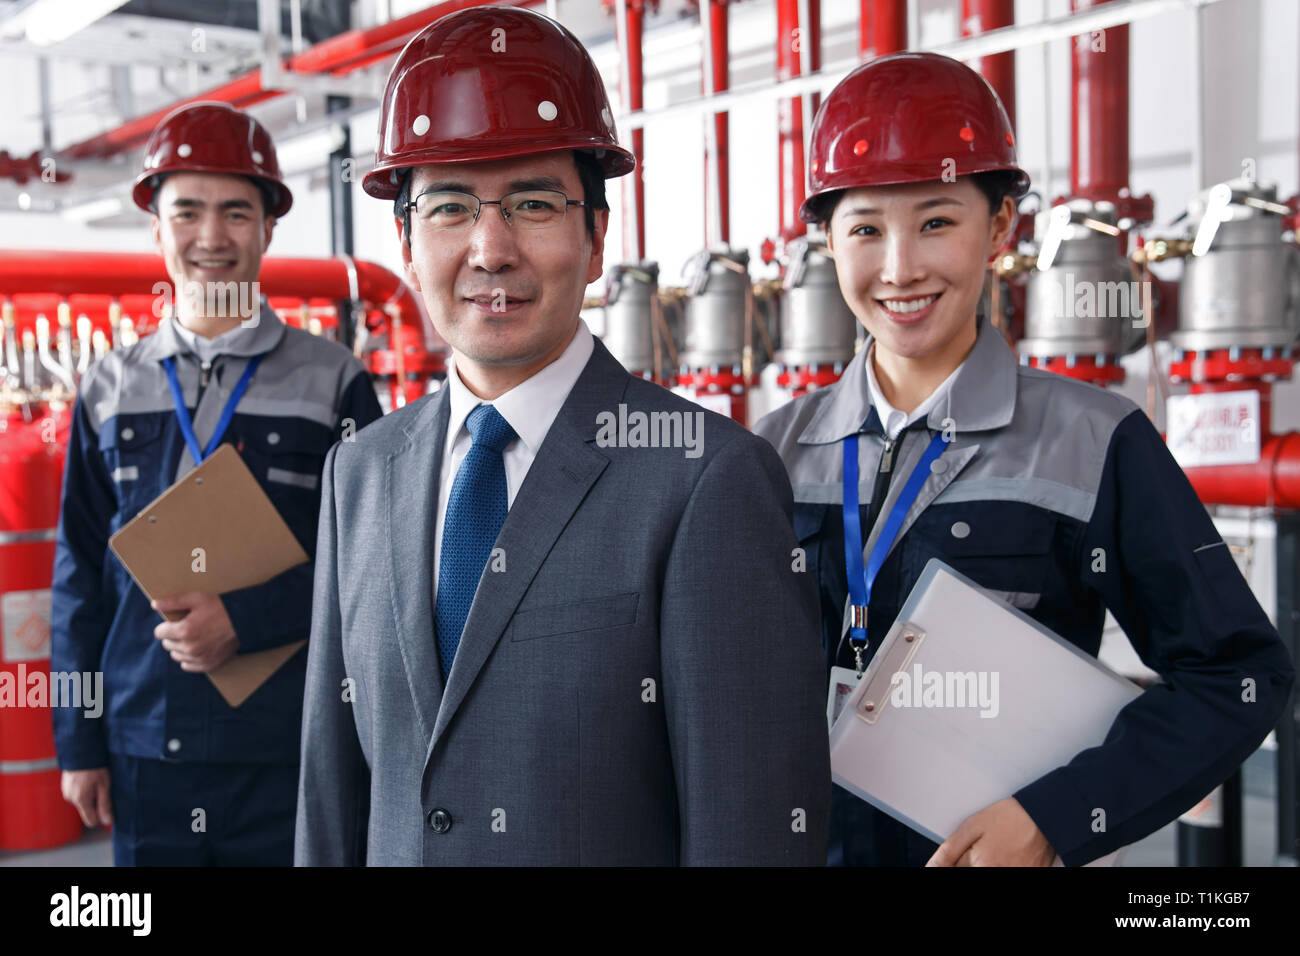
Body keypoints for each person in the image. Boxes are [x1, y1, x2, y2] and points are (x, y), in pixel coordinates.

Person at [294, 6, 829, 866]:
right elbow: (332, 795)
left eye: (534, 202)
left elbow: (750, 830)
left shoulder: (705, 480)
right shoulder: (359, 474)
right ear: (404, 241)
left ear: (596, 239)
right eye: (449, 206)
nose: (490, 248)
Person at [754, 51, 1295, 867]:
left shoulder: (1093, 441)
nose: (900, 268)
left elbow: (1237, 676)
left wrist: (1056, 817)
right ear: (826, 238)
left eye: (938, 221)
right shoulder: (770, 453)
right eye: (865, 228)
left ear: (1001, 226)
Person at [51, 101, 384, 866]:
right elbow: (76, 578)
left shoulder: (333, 382)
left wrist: (250, 618)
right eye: (188, 212)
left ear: (268, 227)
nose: (211, 237)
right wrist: (78, 739)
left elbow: (372, 567)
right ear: (155, 228)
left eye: (237, 212)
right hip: (144, 746)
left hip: (286, 746)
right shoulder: (108, 386)